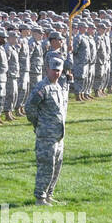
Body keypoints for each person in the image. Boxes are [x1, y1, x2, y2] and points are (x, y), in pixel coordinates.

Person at [25, 53, 70, 204]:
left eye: (59, 70)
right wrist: (38, 124)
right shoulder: (42, 87)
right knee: (46, 166)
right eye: (53, 70)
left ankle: (49, 194)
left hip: (58, 135)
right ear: (47, 69)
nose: (56, 73)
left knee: (56, 167)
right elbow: (29, 108)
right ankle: (40, 197)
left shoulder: (58, 87)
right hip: (46, 135)